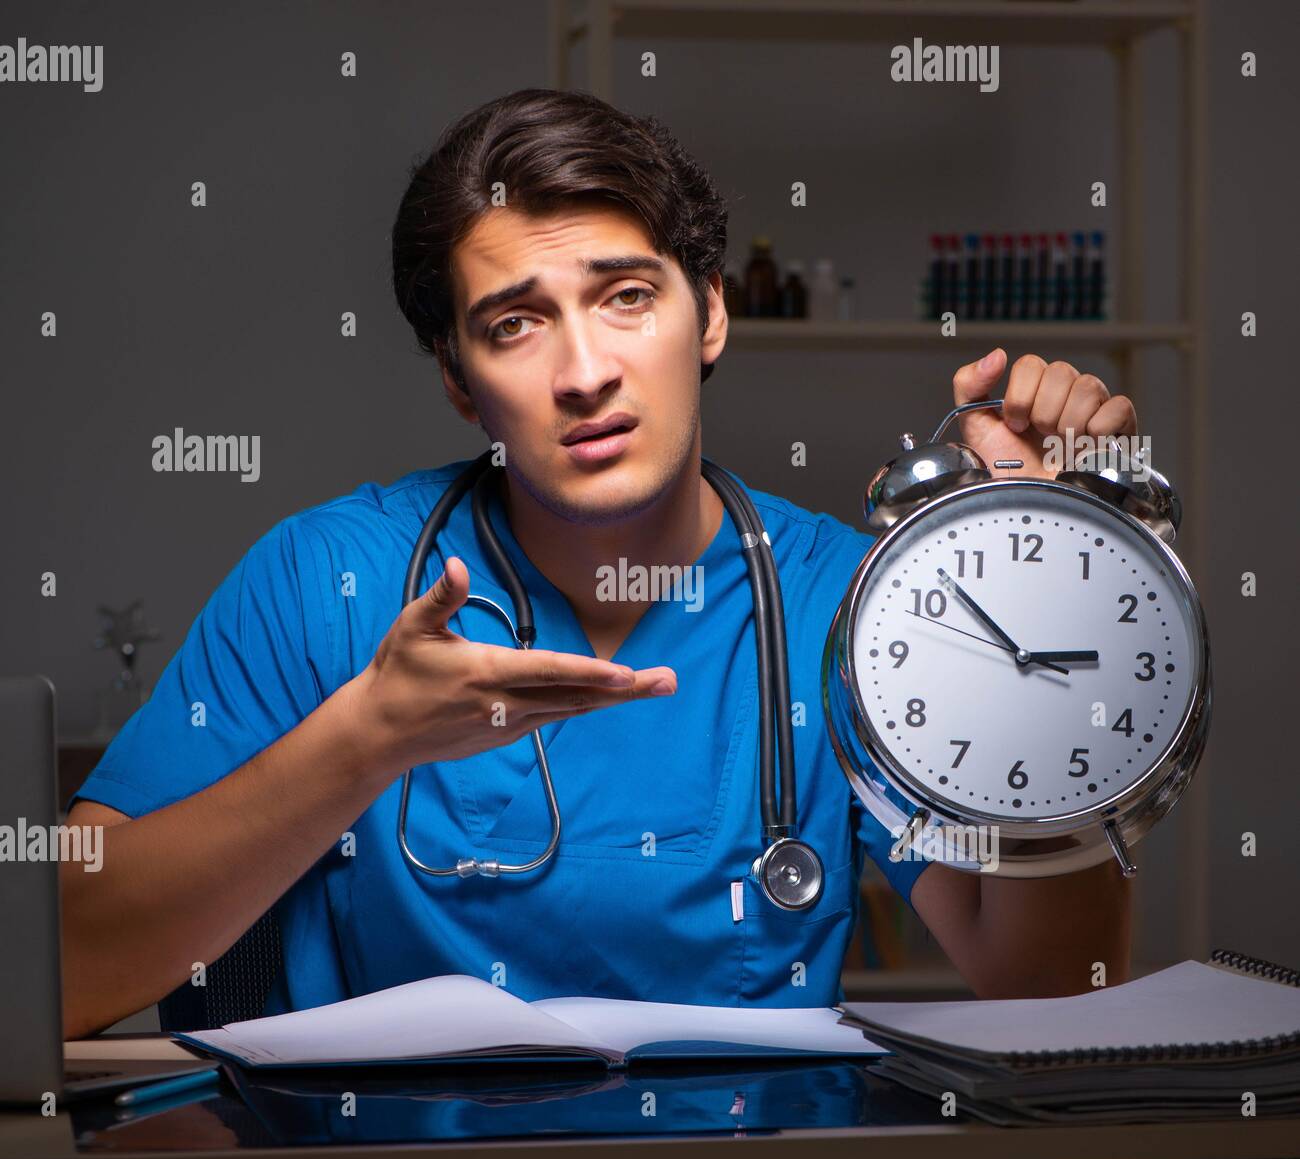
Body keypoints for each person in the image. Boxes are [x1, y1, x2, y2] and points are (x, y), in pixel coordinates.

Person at [61, 89, 1136, 1038]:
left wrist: (1043, 575)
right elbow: (58, 974)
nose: (584, 373)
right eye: (516, 325)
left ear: (709, 311)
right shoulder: (323, 582)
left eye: (626, 296)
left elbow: (1059, 988)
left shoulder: (855, 606)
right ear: (455, 377)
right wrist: (362, 744)